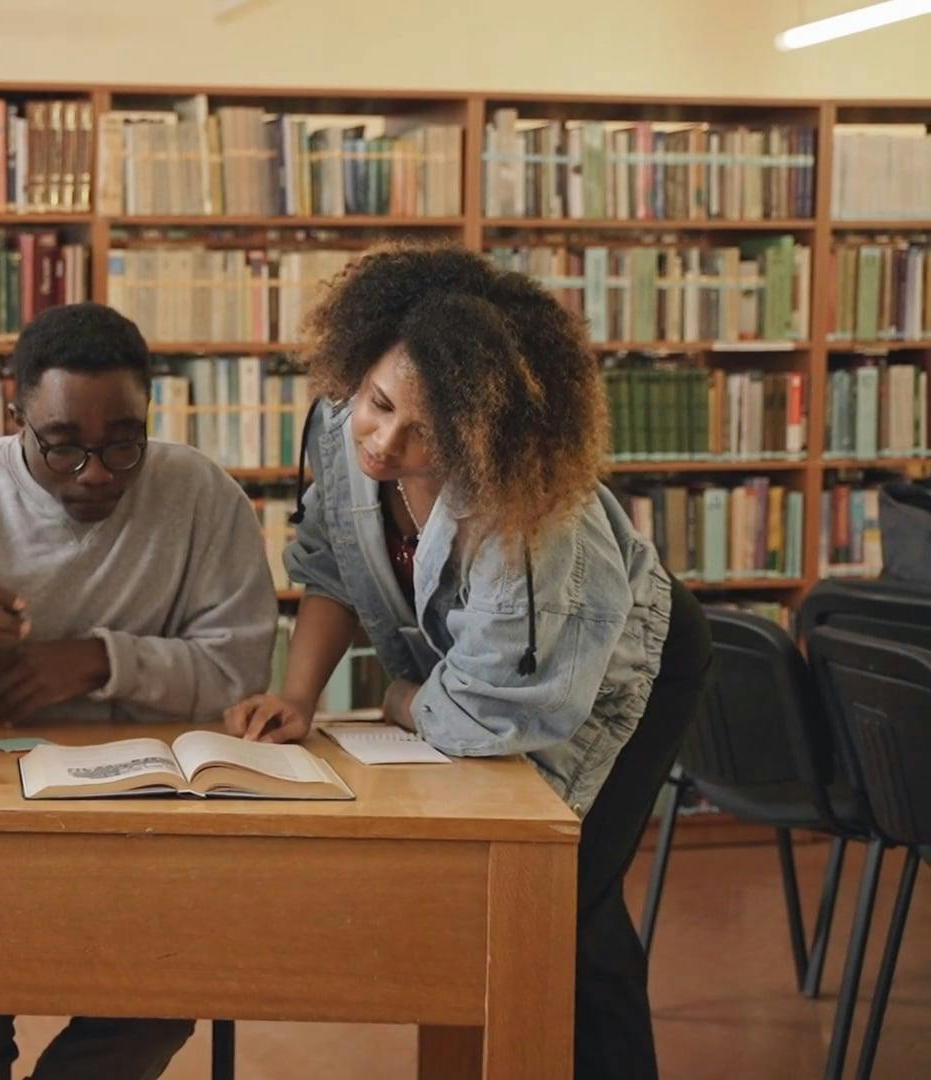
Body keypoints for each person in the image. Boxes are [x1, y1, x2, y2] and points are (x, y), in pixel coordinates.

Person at [223, 245, 710, 1080]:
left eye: (427, 433)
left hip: (616, 671)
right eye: (378, 404)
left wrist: (406, 701)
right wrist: (297, 696)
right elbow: (332, 563)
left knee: (560, 906)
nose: (384, 441)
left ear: (479, 430)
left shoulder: (530, 509)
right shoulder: (342, 426)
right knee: (515, 909)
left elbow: (501, 701)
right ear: (359, 362)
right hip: (480, 677)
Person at [0, 301, 277, 1079]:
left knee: (156, 1000)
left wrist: (97, 661)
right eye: (63, 449)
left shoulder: (201, 496)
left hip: (144, 821)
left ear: (151, 412)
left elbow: (240, 671)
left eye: (124, 446)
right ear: (17, 416)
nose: (95, 473)